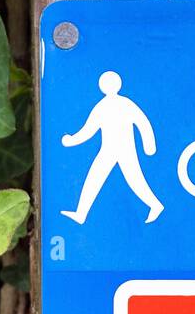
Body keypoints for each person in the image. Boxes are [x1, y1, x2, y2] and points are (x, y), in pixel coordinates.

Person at [61, 71, 163, 224]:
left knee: (135, 180)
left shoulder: (121, 104)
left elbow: (142, 122)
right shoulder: (105, 106)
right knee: (95, 178)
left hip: (124, 150)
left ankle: (155, 205)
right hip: (109, 150)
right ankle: (81, 213)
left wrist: (149, 145)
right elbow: (89, 130)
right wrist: (72, 140)